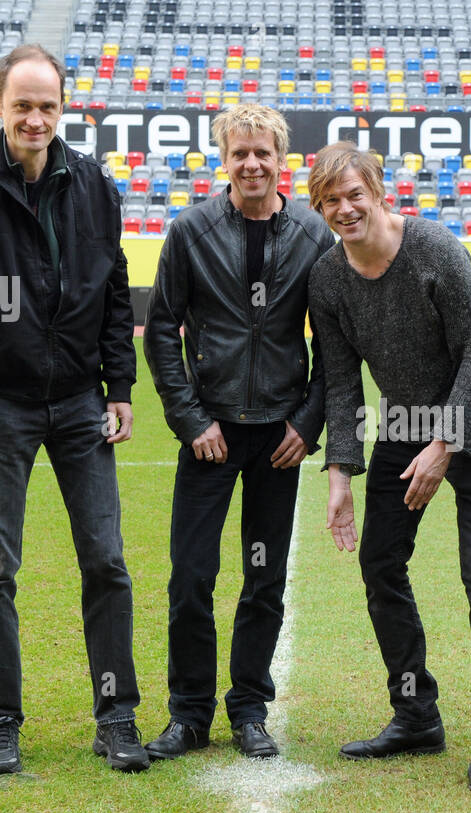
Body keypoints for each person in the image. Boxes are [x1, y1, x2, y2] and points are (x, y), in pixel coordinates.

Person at [0, 44, 149, 774]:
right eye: (23, 106)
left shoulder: (96, 186)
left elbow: (115, 294)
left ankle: (116, 717)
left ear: (62, 106)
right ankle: (2, 723)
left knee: (106, 562)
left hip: (81, 403)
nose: (36, 119)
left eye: (48, 106)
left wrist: (119, 387)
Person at [306, 141, 471, 794]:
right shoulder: (327, 279)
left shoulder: (434, 249)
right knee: (380, 563)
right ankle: (415, 712)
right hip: (401, 425)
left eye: (354, 195)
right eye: (331, 201)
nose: (345, 209)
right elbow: (340, 383)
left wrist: (445, 443)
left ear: (378, 191)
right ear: (320, 208)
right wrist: (341, 474)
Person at [142, 104, 331, 760]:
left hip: (277, 438)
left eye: (264, 153)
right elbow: (162, 328)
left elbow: (333, 342)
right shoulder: (190, 231)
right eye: (239, 153)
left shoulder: (313, 234)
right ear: (223, 158)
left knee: (264, 578)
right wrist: (191, 419)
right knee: (191, 576)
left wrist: (308, 423)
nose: (252, 163)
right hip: (211, 435)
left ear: (283, 159)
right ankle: (188, 714)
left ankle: (249, 708)